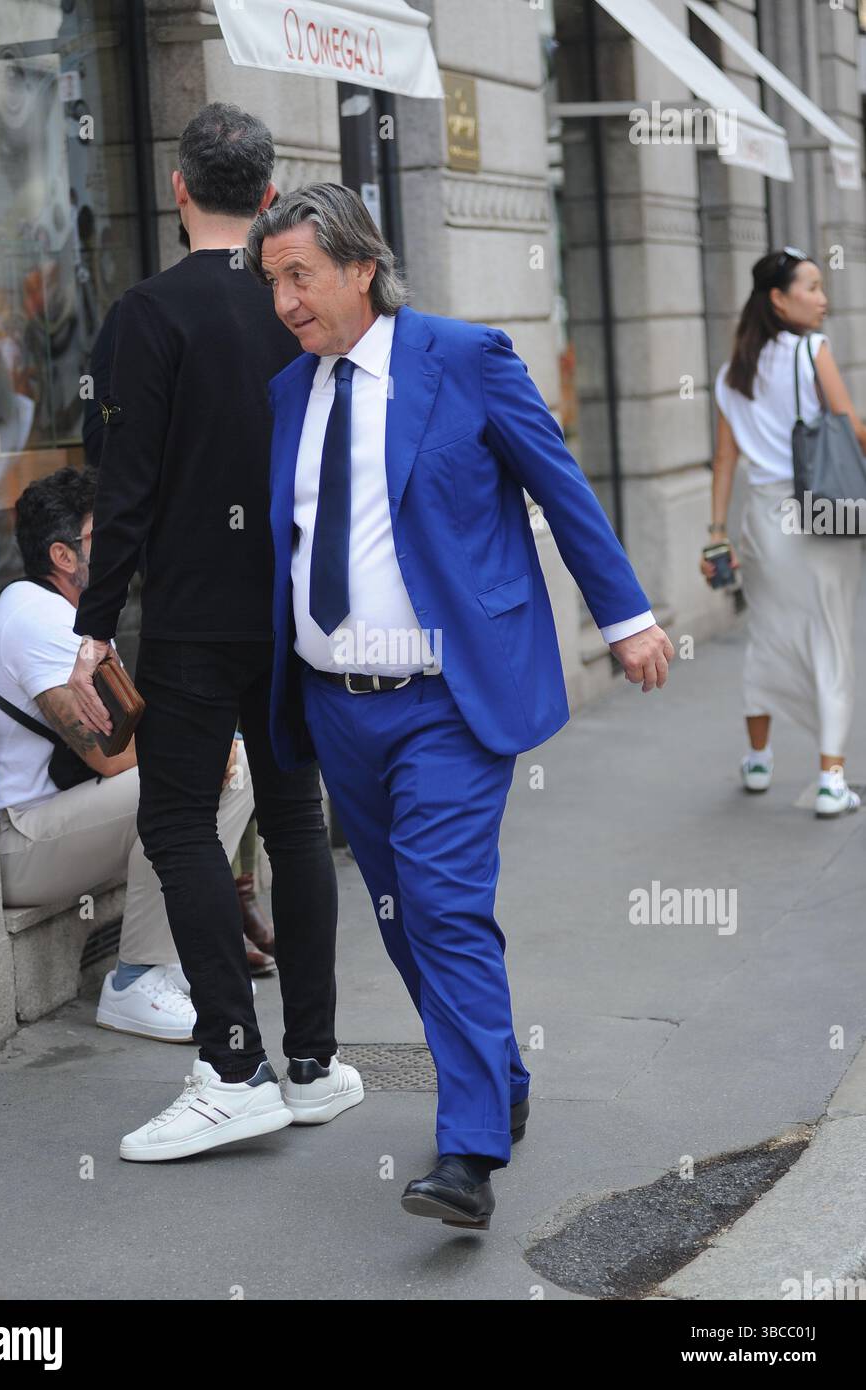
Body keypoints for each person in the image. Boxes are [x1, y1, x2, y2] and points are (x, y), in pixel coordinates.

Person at [246, 183, 674, 1230]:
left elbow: (558, 485)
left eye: (299, 276)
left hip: (446, 695)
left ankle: (468, 1152)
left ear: (360, 266)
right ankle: (498, 1080)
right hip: (335, 703)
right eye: (272, 285)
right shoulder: (288, 396)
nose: (286, 303)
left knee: (439, 908)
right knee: (402, 919)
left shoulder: (462, 358)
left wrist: (626, 614)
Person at [66, 105, 363, 1164]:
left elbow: (125, 487)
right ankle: (316, 1063)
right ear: (269, 187)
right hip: (291, 615)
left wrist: (94, 626)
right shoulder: (299, 304)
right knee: (292, 819)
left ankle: (234, 1066)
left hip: (192, 618)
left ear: (179, 189)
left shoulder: (149, 313)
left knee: (180, 823)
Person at [0, 466, 261, 1042]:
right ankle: (134, 979)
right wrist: (204, 750)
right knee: (209, 774)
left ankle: (174, 955)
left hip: (56, 825)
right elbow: (106, 750)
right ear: (64, 555)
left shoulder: (65, 611)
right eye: (104, 534)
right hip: (18, 843)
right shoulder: (36, 617)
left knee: (221, 763)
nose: (128, 540)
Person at [705, 248, 866, 818]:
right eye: (813, 287)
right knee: (831, 640)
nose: (824, 299)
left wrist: (716, 534)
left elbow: (724, 461)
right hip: (823, 514)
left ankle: (759, 760)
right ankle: (830, 779)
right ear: (779, 298)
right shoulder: (811, 349)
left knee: (769, 635)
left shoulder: (732, 373)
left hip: (763, 523)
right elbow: (848, 427)